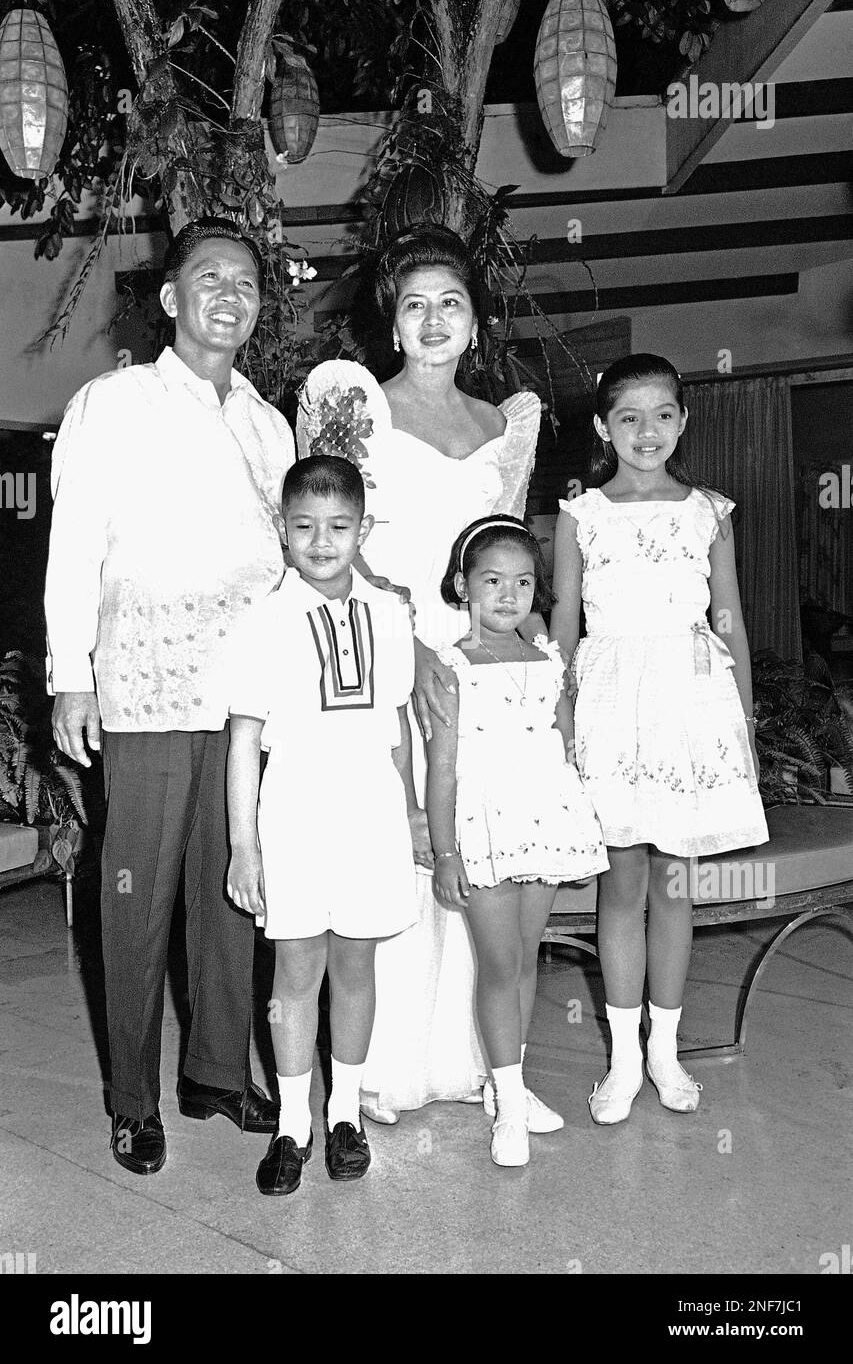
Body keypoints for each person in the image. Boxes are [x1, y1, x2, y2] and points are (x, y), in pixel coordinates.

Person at [45, 217, 295, 1174]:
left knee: (235, 882)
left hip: (246, 692)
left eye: (245, 282)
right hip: (147, 681)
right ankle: (132, 1098)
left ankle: (217, 1074)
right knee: (135, 895)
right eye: (209, 278)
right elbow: (76, 548)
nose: (229, 295)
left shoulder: (267, 421)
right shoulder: (114, 401)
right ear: (170, 298)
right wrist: (74, 676)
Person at [296, 224, 543, 1119]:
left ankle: (482, 1065)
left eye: (451, 304)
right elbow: (327, 545)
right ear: (390, 326)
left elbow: (503, 558)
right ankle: (378, 1073)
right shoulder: (355, 409)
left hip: (482, 665)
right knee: (397, 853)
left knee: (480, 851)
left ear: (475, 324)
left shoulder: (503, 426)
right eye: (414, 306)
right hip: (384, 653)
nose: (433, 321)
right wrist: (409, 651)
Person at [549, 353, 768, 1126]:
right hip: (610, 702)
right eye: (629, 418)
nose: (647, 431)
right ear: (604, 428)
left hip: (690, 705)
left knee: (678, 880)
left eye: (663, 415)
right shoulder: (581, 516)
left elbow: (729, 619)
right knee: (624, 880)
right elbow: (564, 628)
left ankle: (665, 1050)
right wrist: (565, 723)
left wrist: (740, 718)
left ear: (683, 420)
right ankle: (622, 1058)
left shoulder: (708, 510)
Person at [225, 456, 423, 1194]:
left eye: (338, 526)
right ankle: (291, 1124)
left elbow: (397, 729)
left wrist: (409, 813)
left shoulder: (389, 612)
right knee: (296, 969)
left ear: (362, 529)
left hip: (369, 809)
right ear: (281, 529)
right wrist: (244, 846)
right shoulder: (264, 616)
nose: (320, 540)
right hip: (295, 812)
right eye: (303, 526)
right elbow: (245, 736)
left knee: (356, 965)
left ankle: (344, 1113)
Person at [427, 516, 608, 1166]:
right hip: (484, 822)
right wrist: (445, 850)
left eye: (523, 582)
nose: (508, 595)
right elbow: (442, 767)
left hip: (542, 818)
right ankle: (505, 1104)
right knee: (498, 963)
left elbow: (562, 745)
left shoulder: (546, 660)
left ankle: (512, 1083)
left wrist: (575, 828)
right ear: (462, 586)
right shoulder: (451, 666)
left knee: (528, 959)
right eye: (492, 581)